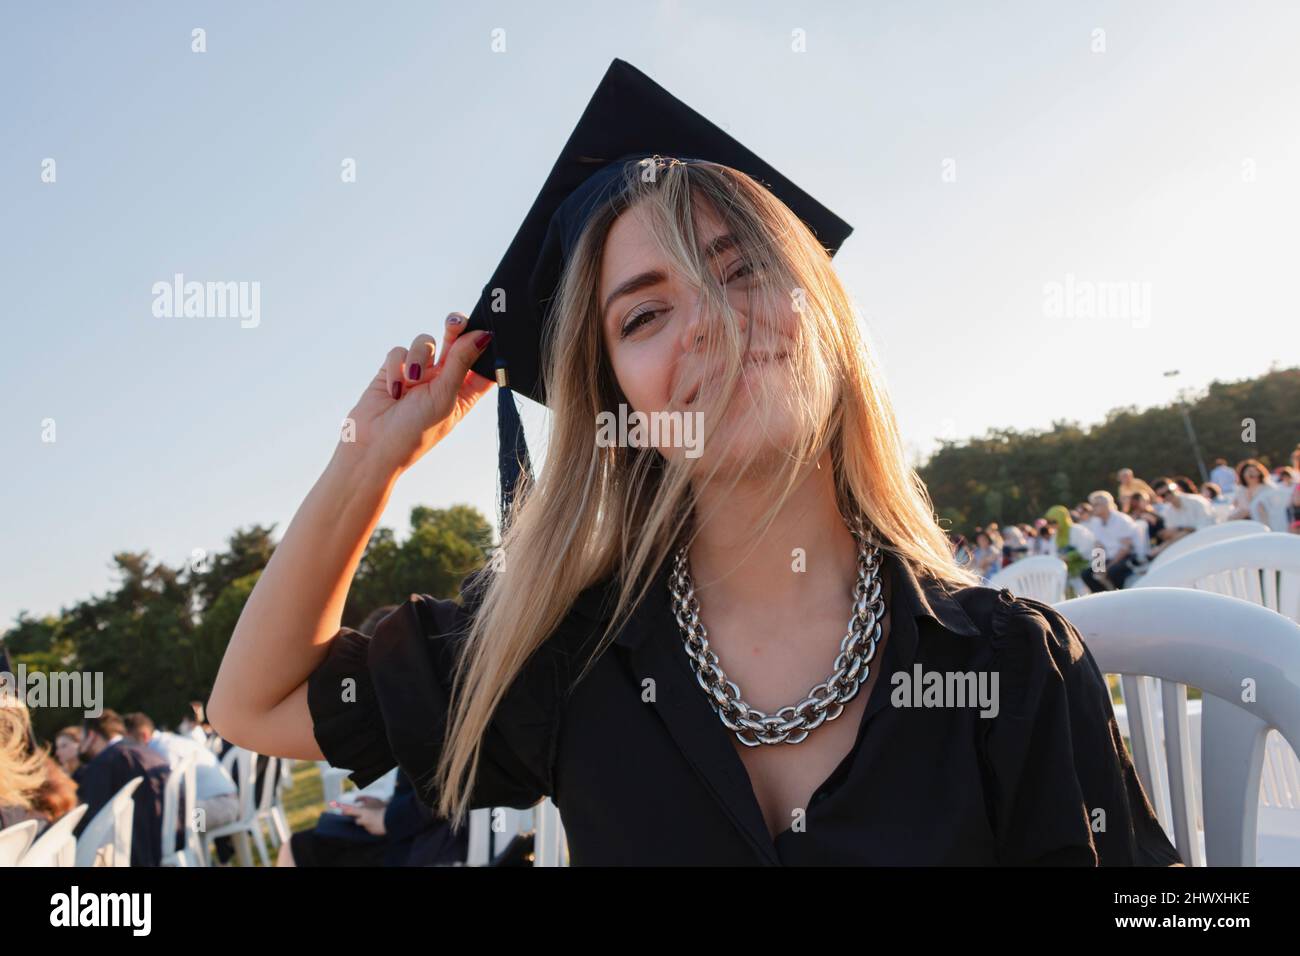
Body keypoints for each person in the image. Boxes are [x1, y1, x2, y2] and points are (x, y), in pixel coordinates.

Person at [209, 59, 1180, 865]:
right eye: (643, 312)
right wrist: (369, 458)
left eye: (741, 266)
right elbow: (251, 704)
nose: (709, 322)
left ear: (821, 317)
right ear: (612, 393)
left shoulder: (1007, 664)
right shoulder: (564, 654)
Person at [74, 709, 176, 867]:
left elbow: (90, 817)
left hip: (139, 850)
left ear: (92, 736)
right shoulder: (149, 752)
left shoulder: (106, 762)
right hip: (169, 837)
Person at [124, 712, 241, 834]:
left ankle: (192, 851)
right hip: (221, 804)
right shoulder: (167, 742)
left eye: (128, 744)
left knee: (164, 825)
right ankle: (194, 850)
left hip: (218, 808)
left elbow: (173, 793)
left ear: (144, 735)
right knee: (165, 820)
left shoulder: (162, 750)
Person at [1082, 491, 1141, 591]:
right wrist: (1099, 567)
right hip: (1109, 559)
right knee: (1087, 575)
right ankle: (1102, 599)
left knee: (1113, 573)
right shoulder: (1096, 522)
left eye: (1096, 505)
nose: (1093, 508)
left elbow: (1125, 549)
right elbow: (1098, 545)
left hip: (1126, 557)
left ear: (1106, 505)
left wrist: (1108, 567)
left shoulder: (1122, 520)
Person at [1153, 477, 1214, 544]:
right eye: (1163, 495)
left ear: (1176, 487)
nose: (1168, 495)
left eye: (1169, 491)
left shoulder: (1197, 502)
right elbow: (1172, 535)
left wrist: (1183, 530)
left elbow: (1206, 528)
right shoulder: (1167, 512)